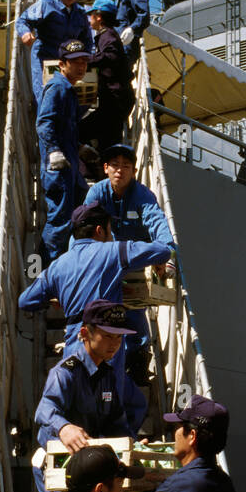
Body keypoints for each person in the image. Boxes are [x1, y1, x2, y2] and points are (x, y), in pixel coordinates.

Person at [18, 203, 172, 376]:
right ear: (100, 230)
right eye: (109, 229)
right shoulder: (114, 251)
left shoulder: (56, 267)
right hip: (105, 343)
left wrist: (56, 298)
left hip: (74, 346)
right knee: (107, 398)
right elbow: (163, 251)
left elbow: (25, 301)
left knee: (76, 397)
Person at [32, 300, 147, 492]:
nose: (114, 344)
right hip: (59, 469)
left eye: (119, 337)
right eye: (108, 336)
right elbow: (44, 409)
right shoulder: (66, 373)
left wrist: (133, 445)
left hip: (88, 469)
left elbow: (116, 421)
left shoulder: (108, 375)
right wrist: (64, 428)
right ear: (85, 333)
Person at [82, 144, 175, 382]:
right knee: (106, 310)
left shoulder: (142, 195)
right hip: (107, 259)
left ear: (134, 170)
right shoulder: (96, 194)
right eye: (114, 165)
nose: (119, 171)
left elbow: (157, 221)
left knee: (134, 311)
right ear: (105, 168)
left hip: (134, 260)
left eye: (126, 166)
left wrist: (166, 253)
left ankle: (139, 359)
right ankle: (106, 362)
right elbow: (84, 228)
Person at [36, 40, 91, 263]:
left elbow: (62, 129)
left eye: (84, 62)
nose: (81, 67)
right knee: (58, 223)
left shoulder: (68, 89)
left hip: (69, 166)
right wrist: (54, 151)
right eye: (75, 62)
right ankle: (44, 276)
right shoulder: (58, 87)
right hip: (58, 168)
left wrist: (79, 148)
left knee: (78, 209)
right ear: (61, 64)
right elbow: (44, 123)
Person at [16, 0, 92, 106]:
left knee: (68, 100)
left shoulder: (81, 14)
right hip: (43, 60)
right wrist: (25, 33)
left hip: (67, 64)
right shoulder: (44, 5)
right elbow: (23, 21)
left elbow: (87, 40)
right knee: (45, 98)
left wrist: (86, 60)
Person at [83, 0, 134, 156]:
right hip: (115, 99)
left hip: (115, 100)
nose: (90, 19)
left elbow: (111, 56)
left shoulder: (108, 35)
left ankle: (103, 171)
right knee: (106, 141)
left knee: (84, 131)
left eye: (91, 15)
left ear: (99, 17)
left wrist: (84, 60)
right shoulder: (108, 35)